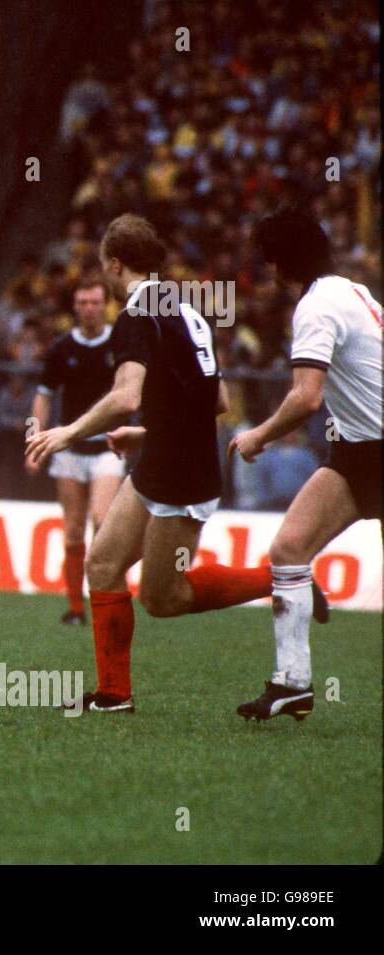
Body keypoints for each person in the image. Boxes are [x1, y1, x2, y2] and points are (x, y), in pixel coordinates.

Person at [25, 215, 319, 713]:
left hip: (181, 473)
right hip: (167, 457)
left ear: (115, 265)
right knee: (102, 563)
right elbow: (218, 398)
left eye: (104, 267)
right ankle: (114, 695)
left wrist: (68, 432)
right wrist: (147, 431)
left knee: (164, 598)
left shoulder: (137, 317)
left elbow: (124, 395)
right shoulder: (187, 308)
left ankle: (281, 580)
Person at [229, 206, 381, 721]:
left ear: (281, 262)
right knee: (290, 548)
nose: (268, 270)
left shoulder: (316, 306)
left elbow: (306, 397)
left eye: (269, 259)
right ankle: (292, 683)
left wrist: (257, 436)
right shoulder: (349, 289)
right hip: (360, 451)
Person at [27, 278, 122, 625]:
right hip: (68, 450)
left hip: (107, 448)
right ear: (75, 306)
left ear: (105, 304)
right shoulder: (62, 348)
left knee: (102, 519)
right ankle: (75, 609)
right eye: (82, 302)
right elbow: (43, 395)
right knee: (71, 529)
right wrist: (34, 440)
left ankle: (103, 601)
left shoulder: (120, 344)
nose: (89, 309)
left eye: (95, 302)